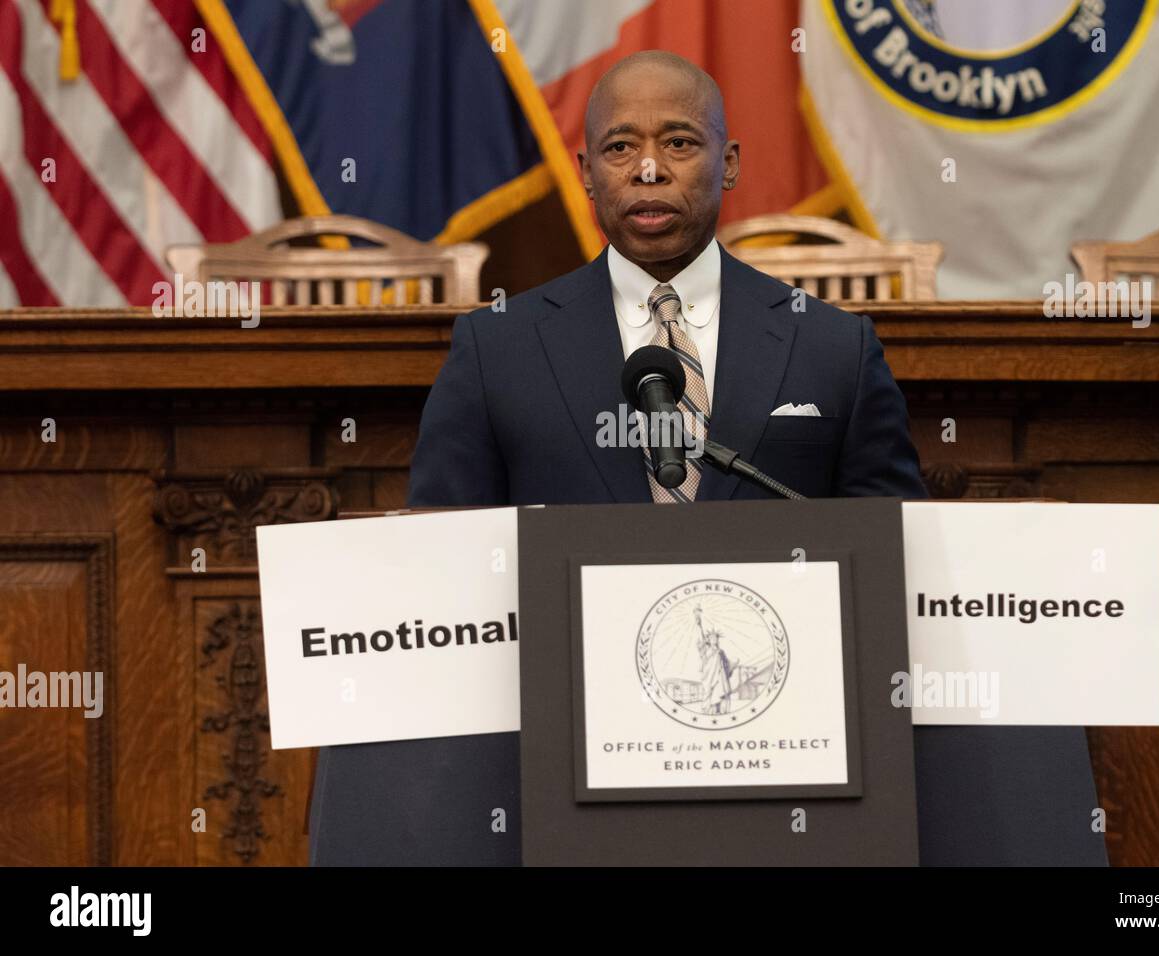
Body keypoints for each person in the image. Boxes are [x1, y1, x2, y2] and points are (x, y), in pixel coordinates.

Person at [309, 50, 1106, 866]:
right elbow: (444, 558)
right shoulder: (498, 347)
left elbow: (896, 554)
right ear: (586, 173)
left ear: (727, 165)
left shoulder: (831, 345)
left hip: (788, 768)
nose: (648, 168)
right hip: (567, 772)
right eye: (620, 148)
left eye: (680, 143)